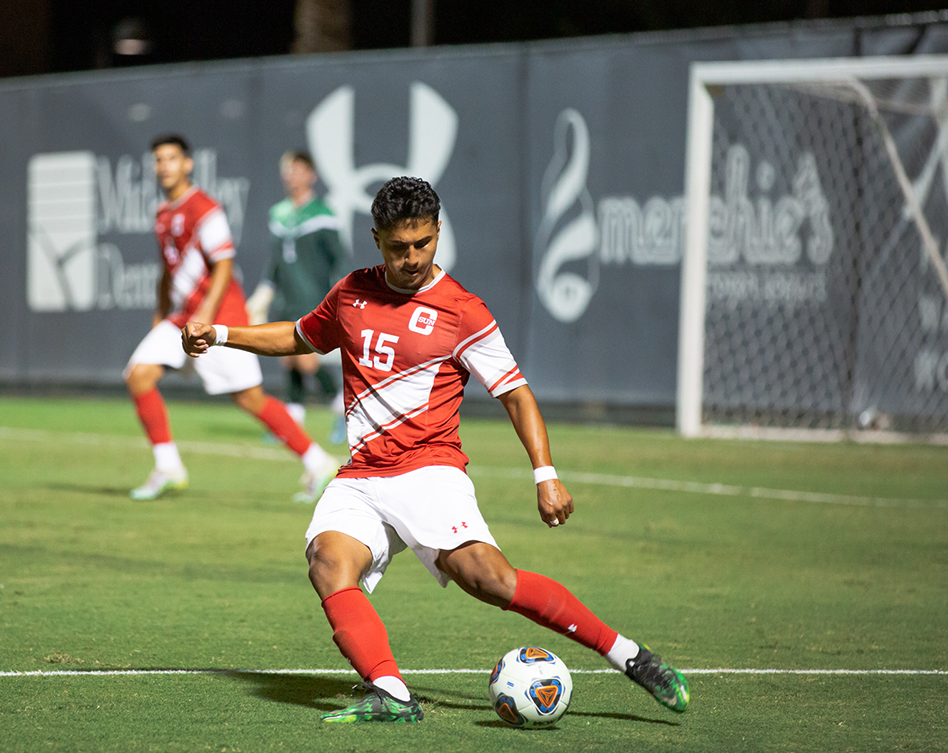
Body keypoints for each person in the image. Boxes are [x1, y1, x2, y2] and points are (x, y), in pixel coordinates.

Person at [183, 177, 690, 722]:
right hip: (362, 476)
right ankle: (392, 694)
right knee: (328, 562)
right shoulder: (352, 292)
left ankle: (631, 657)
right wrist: (222, 333)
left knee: (490, 581)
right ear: (377, 239)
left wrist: (545, 473)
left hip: (428, 471)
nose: (411, 258)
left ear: (438, 233)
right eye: (398, 246)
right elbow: (301, 337)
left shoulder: (462, 310)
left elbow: (516, 395)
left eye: (422, 243)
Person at [123, 134, 337, 502]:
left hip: (217, 317)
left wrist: (207, 316)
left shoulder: (205, 208)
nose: (164, 166)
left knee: (251, 399)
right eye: (159, 160)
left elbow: (223, 264)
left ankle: (318, 463)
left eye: (172, 158)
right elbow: (168, 271)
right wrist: (161, 314)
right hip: (181, 318)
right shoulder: (163, 213)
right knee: (139, 375)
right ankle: (168, 467)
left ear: (188, 164)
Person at [246, 151, 348, 445]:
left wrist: (337, 296)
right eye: (289, 170)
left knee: (307, 361)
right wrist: (264, 291)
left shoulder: (323, 214)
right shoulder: (278, 213)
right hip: (286, 297)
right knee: (288, 360)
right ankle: (292, 419)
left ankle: (341, 407)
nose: (293, 175)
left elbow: (339, 259)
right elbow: (275, 261)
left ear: (312, 175)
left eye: (300, 170)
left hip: (311, 296)